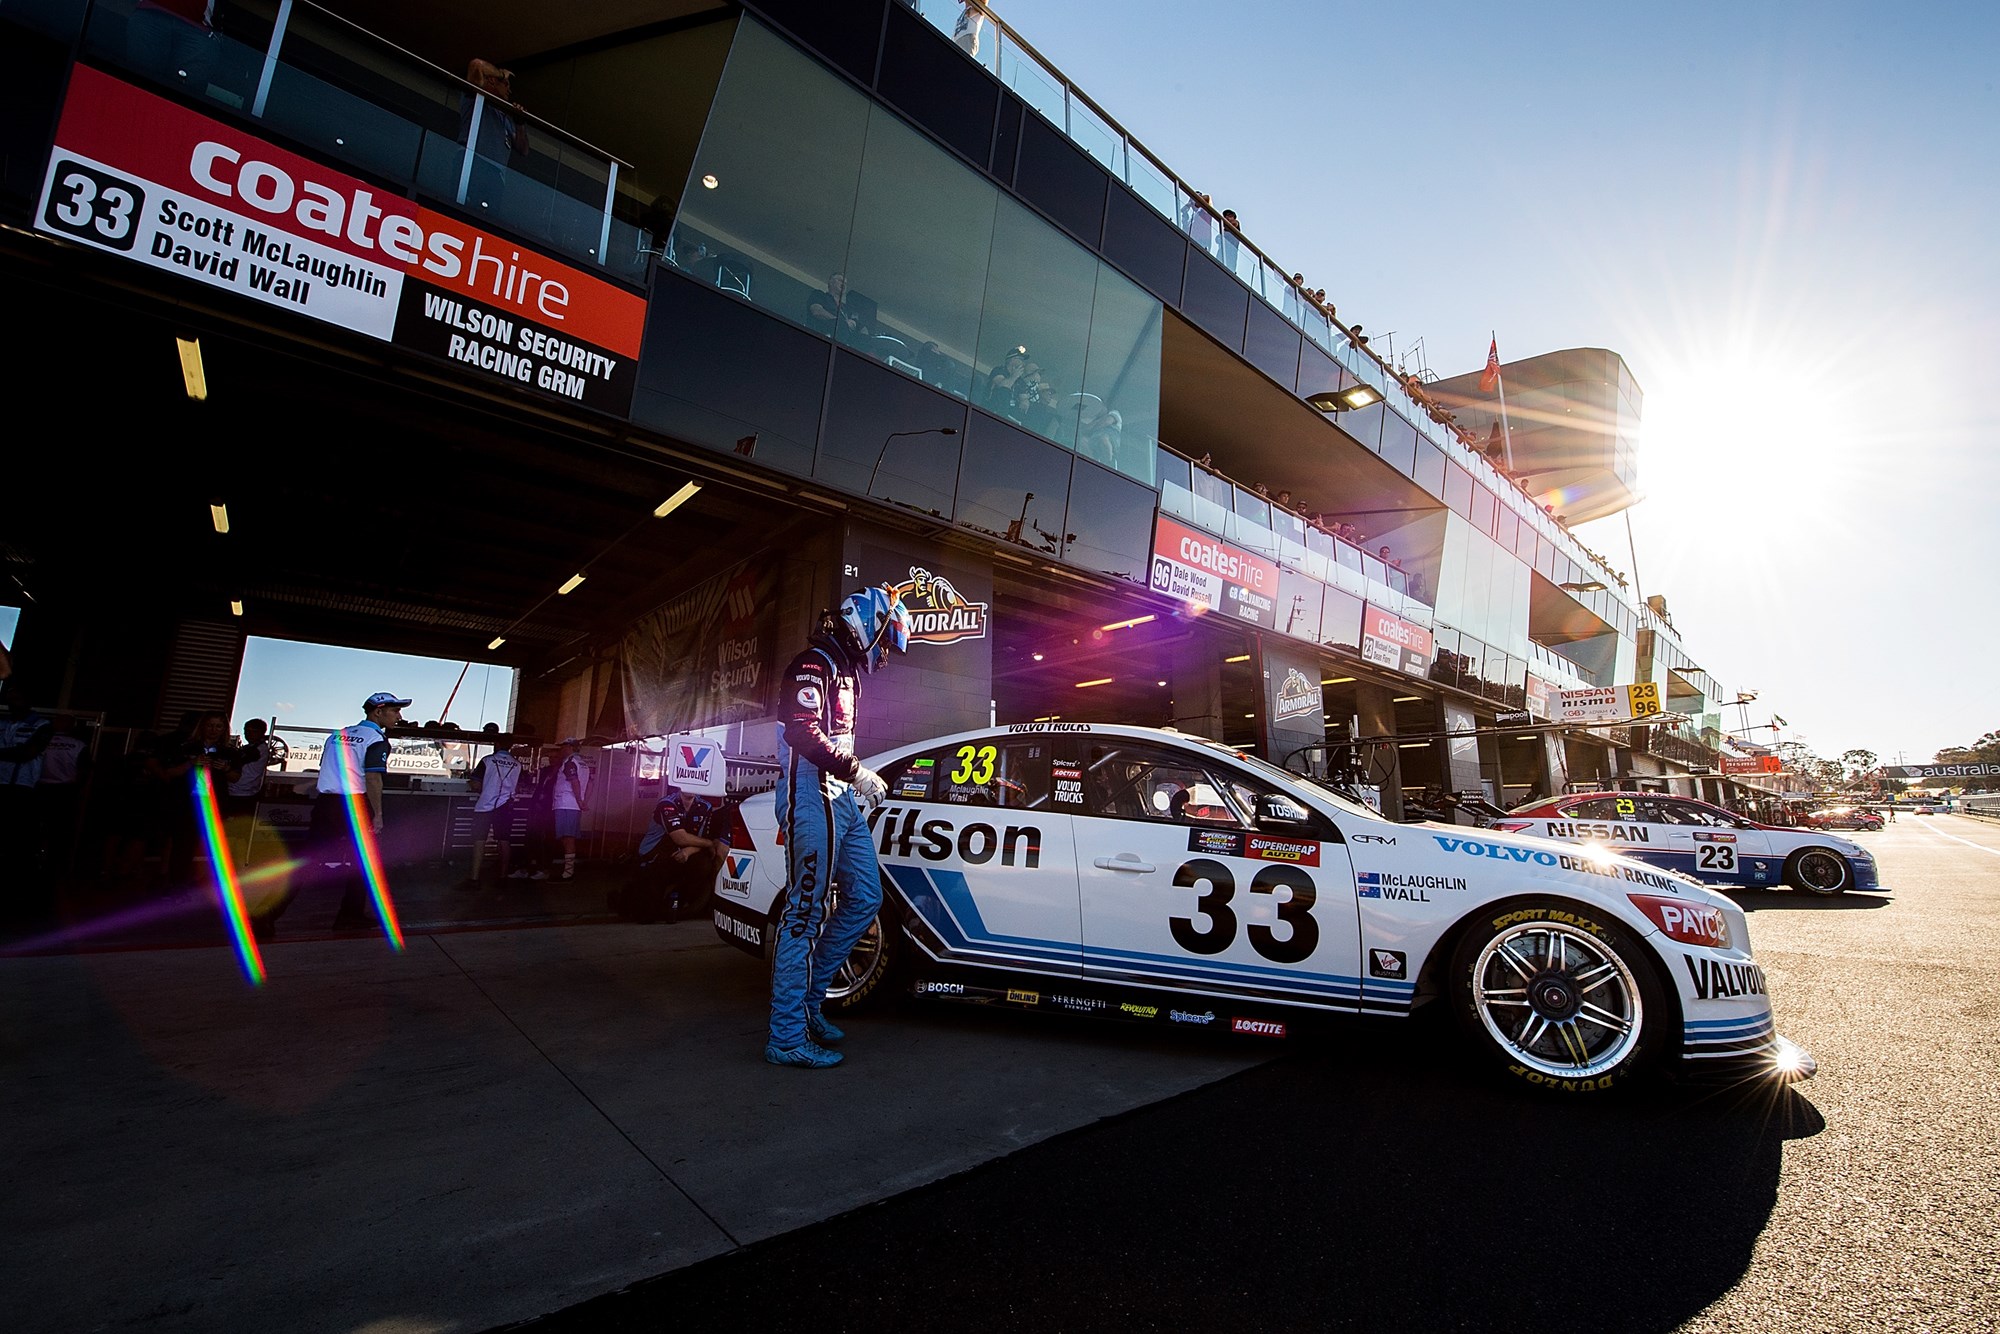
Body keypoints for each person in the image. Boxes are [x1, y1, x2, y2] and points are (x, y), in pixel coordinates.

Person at [766, 585, 910, 1069]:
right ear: (866, 624)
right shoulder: (813, 664)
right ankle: (786, 1037)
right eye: (885, 638)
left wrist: (852, 779)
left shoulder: (846, 669)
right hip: (811, 793)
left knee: (865, 897)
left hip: (840, 795)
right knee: (804, 914)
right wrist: (858, 772)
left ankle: (808, 1005)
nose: (885, 650)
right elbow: (800, 730)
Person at [312, 692, 409, 930]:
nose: (399, 716)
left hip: (325, 803)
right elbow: (374, 779)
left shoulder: (337, 734)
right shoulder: (376, 739)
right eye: (395, 711)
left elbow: (324, 766)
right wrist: (378, 814)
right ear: (378, 712)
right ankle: (349, 915)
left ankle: (266, 916)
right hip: (354, 805)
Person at [626, 785, 730, 922]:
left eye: (695, 783)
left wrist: (689, 850)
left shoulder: (705, 806)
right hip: (654, 858)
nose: (691, 787)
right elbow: (680, 838)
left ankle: (680, 899)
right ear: (680, 784)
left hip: (683, 856)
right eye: (687, 783)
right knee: (646, 917)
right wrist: (708, 844)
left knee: (704, 864)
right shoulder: (667, 803)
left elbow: (704, 839)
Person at [459, 59, 530, 212]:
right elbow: (476, 65)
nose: (509, 90)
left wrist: (519, 122)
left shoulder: (506, 117)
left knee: (486, 218)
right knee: (463, 210)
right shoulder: (475, 97)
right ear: (492, 80)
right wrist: (501, 73)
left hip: (496, 176)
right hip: (472, 162)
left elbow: (523, 149)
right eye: (506, 84)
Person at [463, 743, 526, 886]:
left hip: (485, 805)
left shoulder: (487, 760)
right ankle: (503, 877)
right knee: (504, 840)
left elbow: (476, 784)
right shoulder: (517, 764)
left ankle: (474, 878)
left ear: (496, 746)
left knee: (479, 840)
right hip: (506, 805)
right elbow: (520, 786)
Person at [548, 738, 590, 880]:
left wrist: (579, 800)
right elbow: (591, 783)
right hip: (573, 805)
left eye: (563, 746)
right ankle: (568, 871)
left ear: (570, 747)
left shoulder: (570, 762)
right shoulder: (583, 763)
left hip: (566, 803)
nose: (561, 750)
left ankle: (568, 873)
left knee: (568, 838)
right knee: (568, 837)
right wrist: (584, 801)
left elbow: (574, 781)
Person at [806, 273, 876, 345]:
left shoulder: (847, 309)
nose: (843, 284)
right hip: (821, 340)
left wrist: (865, 341)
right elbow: (817, 311)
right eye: (840, 280)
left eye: (845, 283)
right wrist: (842, 323)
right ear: (830, 282)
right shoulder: (820, 295)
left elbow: (862, 327)